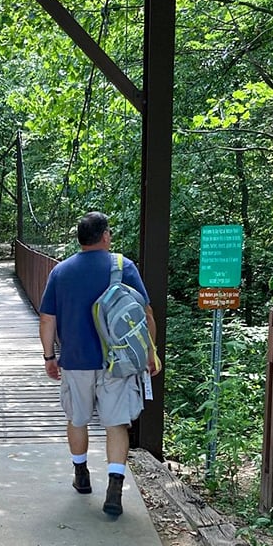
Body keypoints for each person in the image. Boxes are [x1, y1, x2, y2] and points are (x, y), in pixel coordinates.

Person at [38, 211, 161, 517]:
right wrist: (150, 352)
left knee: (77, 419)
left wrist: (49, 357)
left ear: (80, 239)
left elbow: (47, 318)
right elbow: (145, 314)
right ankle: (115, 488)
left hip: (76, 361)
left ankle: (81, 476)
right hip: (117, 362)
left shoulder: (61, 272)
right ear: (105, 235)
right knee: (115, 423)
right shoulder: (123, 266)